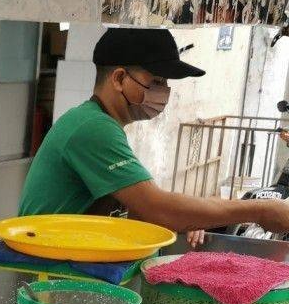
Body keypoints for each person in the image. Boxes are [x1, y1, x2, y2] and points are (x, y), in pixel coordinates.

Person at [20, 27, 289, 236]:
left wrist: (194, 218)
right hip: (47, 273)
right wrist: (259, 210)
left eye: (166, 84)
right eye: (156, 82)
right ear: (119, 79)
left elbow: (143, 210)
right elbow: (158, 208)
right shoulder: (93, 128)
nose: (164, 92)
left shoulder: (99, 123)